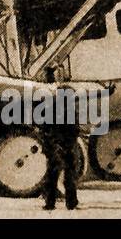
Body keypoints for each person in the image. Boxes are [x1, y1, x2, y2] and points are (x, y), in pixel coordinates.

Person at [41, 68, 80, 211]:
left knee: (52, 174)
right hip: (67, 145)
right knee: (69, 175)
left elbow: (46, 128)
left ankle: (50, 202)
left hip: (55, 145)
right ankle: (71, 202)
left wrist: (52, 144)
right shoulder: (70, 110)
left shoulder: (51, 108)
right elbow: (75, 129)